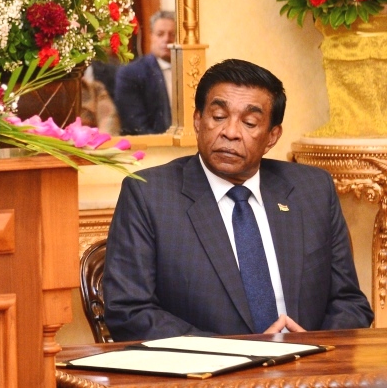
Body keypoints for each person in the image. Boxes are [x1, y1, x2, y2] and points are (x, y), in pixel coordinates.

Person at [103, 59, 373, 341]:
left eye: (250, 122)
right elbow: (128, 310)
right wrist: (233, 352)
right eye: (218, 116)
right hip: (209, 377)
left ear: (272, 137)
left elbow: (349, 302)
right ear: (198, 120)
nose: (230, 132)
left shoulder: (313, 190)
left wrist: (315, 348)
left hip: (307, 374)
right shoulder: (149, 195)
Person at [113, 10, 176, 134]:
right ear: (151, 36)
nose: (167, 39)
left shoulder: (189, 70)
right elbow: (135, 124)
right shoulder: (131, 73)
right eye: (160, 34)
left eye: (172, 34)